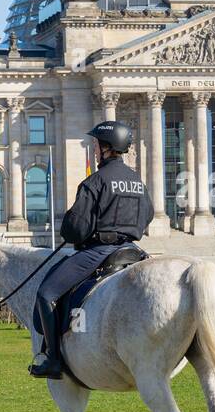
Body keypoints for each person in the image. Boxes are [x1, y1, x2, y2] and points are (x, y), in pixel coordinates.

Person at [28, 120, 154, 379]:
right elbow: (148, 214)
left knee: (46, 293)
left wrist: (78, 231)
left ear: (107, 147)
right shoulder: (138, 182)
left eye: (96, 144)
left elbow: (74, 229)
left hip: (99, 251)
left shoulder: (95, 182)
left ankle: (53, 359)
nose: (94, 149)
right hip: (132, 250)